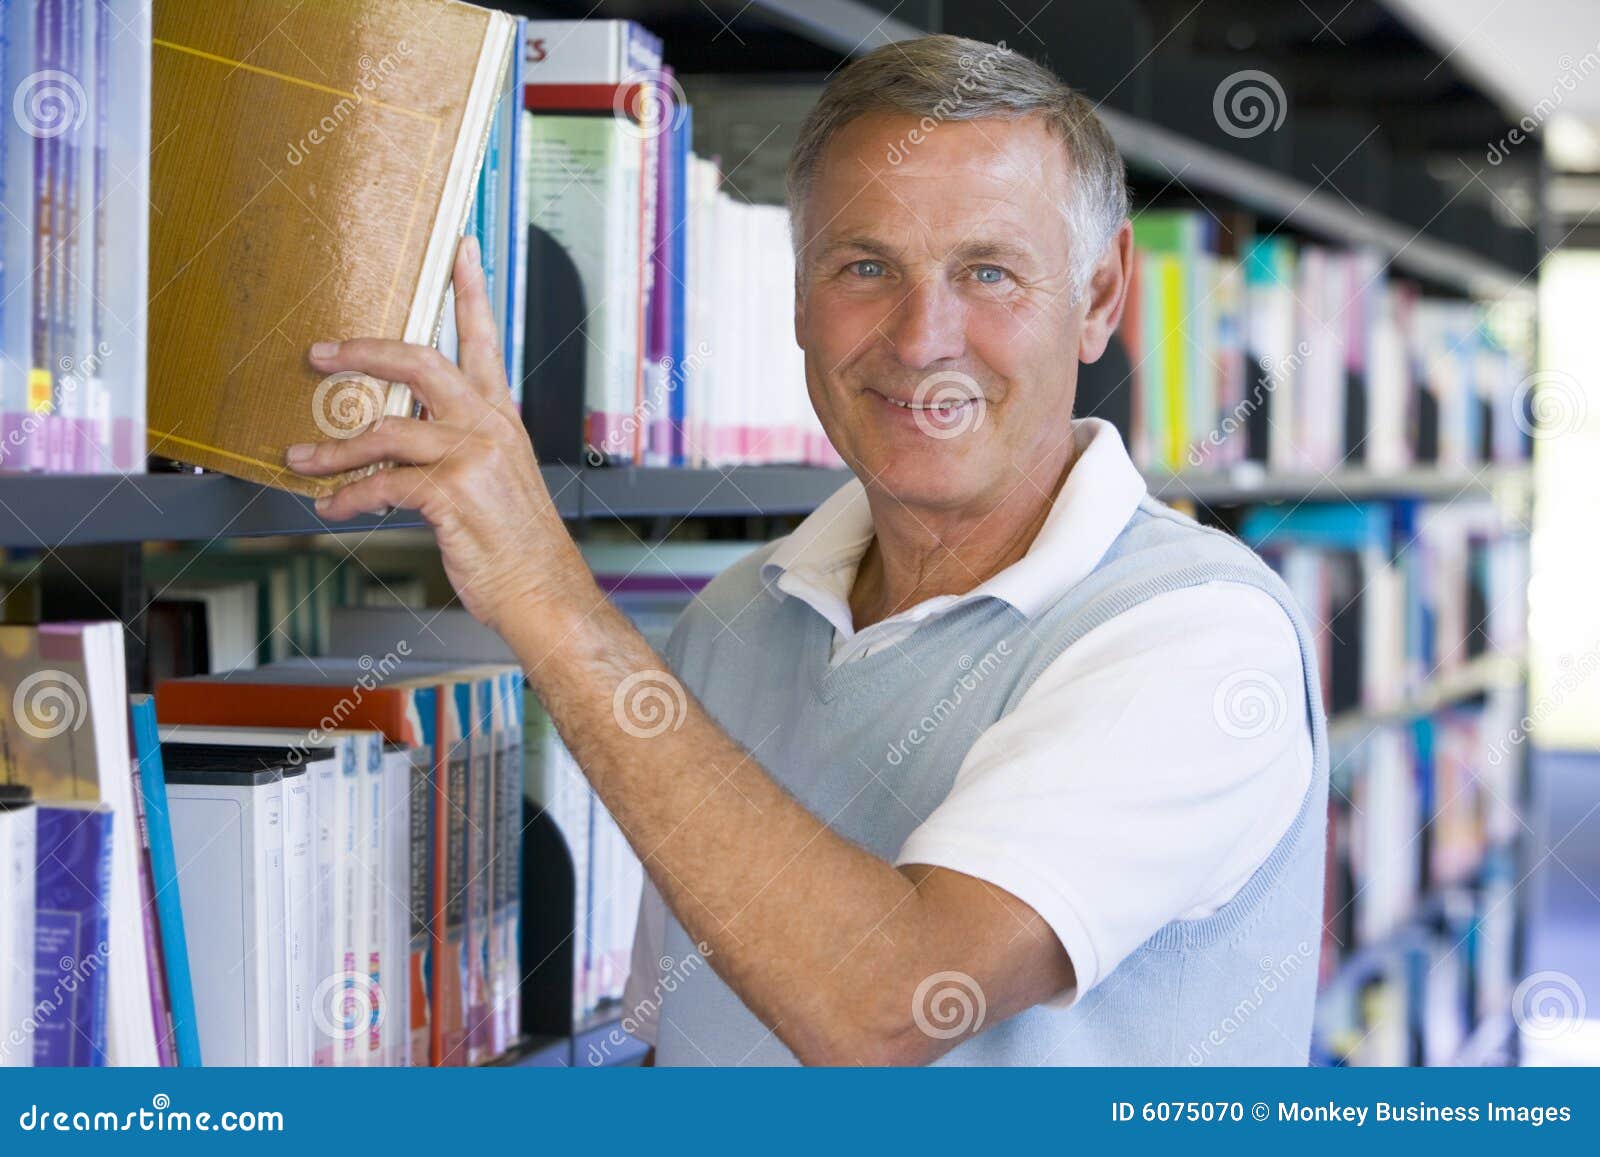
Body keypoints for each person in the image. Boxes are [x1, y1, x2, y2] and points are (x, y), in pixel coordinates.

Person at [287, 34, 1328, 1066]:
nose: (922, 337)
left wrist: (540, 586)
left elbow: (891, 1004)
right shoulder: (732, 618)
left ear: (1099, 296)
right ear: (796, 297)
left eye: (989, 271)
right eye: (864, 265)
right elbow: (701, 1038)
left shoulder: (1199, 637)